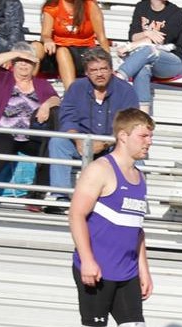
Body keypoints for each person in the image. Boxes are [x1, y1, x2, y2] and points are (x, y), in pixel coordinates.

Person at [67, 108, 153, 327]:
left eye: (150, 136)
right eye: (143, 136)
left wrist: (144, 269)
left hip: (126, 270)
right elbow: (76, 215)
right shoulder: (100, 170)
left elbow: (136, 228)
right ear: (123, 136)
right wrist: (87, 260)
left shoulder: (139, 177)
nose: (149, 142)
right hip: (98, 269)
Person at [46, 49, 137, 213]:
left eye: (103, 69)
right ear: (87, 73)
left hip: (113, 145)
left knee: (134, 153)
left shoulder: (126, 91)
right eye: (94, 70)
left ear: (111, 69)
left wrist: (105, 143)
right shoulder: (76, 88)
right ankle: (60, 197)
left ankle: (129, 202)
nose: (99, 74)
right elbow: (67, 119)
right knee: (58, 142)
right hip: (81, 142)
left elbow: (129, 124)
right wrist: (79, 140)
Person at [0, 49, 59, 199]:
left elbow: (56, 99)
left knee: (52, 147)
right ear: (13, 63)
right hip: (2, 133)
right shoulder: (3, 78)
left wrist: (46, 105)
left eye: (28, 62)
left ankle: (36, 196)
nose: (24, 64)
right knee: (6, 139)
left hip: (29, 137)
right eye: (20, 61)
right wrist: (17, 53)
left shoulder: (41, 84)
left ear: (34, 65)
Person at [117, 0, 182, 114]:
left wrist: (130, 46)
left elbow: (160, 41)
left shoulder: (175, 12)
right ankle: (143, 114)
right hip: (146, 58)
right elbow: (133, 36)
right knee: (142, 68)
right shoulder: (141, 6)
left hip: (170, 62)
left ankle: (118, 79)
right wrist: (147, 33)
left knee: (150, 49)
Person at [39, 0, 108, 88]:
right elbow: (45, 34)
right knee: (36, 47)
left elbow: (101, 37)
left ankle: (71, 92)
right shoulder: (53, 6)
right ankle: (26, 86)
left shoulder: (90, 5)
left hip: (83, 50)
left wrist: (108, 61)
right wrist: (47, 39)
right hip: (58, 49)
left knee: (62, 52)